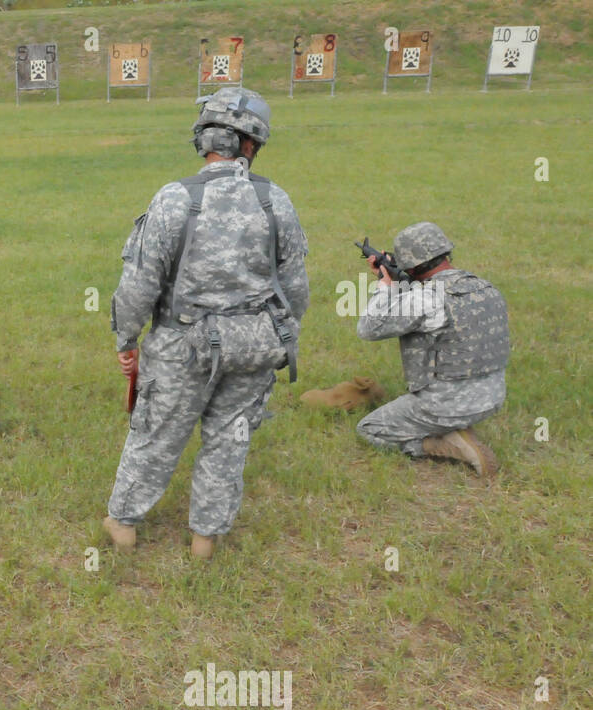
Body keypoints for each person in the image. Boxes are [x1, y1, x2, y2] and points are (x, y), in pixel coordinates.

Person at [103, 88, 309, 559]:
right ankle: (205, 538)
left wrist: (126, 338)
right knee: (229, 438)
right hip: (255, 346)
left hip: (182, 346)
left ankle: (124, 523)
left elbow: (139, 284)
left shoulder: (174, 200)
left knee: (157, 433)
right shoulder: (276, 200)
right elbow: (295, 290)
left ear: (204, 139)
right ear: (252, 145)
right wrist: (277, 333)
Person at [355, 223, 507, 477]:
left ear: (412, 267)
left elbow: (369, 328)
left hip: (446, 405)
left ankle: (442, 443)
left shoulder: (427, 298)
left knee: (370, 429)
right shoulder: (485, 287)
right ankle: (452, 427)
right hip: (492, 398)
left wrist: (386, 286)